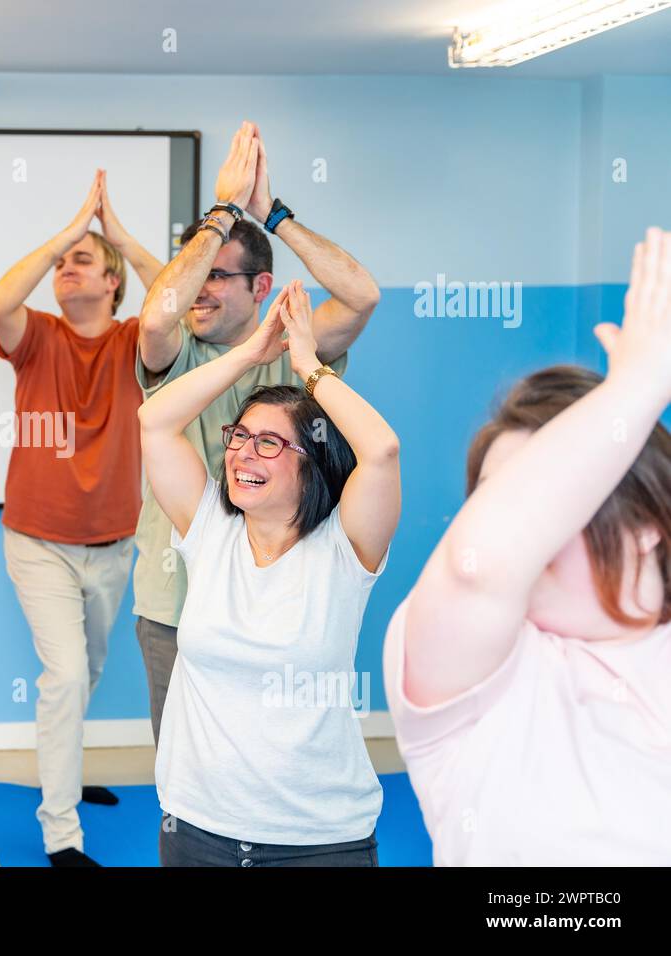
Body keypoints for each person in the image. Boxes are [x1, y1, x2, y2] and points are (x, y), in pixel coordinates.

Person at [383, 227, 671, 866]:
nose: (521, 529)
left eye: (548, 497)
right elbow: (475, 568)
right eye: (494, 498)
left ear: (647, 517)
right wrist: (643, 383)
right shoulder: (484, 672)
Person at [134, 120, 381, 745]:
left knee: (278, 744)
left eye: (218, 275)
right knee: (183, 757)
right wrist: (220, 212)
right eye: (196, 272)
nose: (200, 289)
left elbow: (361, 296)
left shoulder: (295, 340)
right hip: (176, 595)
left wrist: (272, 214)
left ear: (260, 287)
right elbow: (159, 311)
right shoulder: (176, 349)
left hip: (288, 587)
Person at [139, 280, 401, 867]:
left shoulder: (345, 550)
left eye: (268, 443)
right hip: (196, 828)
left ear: (313, 461)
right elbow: (155, 421)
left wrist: (307, 364)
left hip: (317, 840)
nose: (241, 454)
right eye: (240, 437)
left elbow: (380, 450)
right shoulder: (209, 532)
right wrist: (253, 353)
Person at [0, 170, 165, 866]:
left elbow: (171, 301)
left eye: (82, 262)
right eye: (61, 264)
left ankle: (65, 766)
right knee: (63, 675)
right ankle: (61, 831)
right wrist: (68, 233)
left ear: (114, 281)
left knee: (84, 670)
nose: (65, 269)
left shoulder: (134, 342)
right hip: (38, 539)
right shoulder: (37, 336)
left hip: (114, 542)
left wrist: (117, 236)